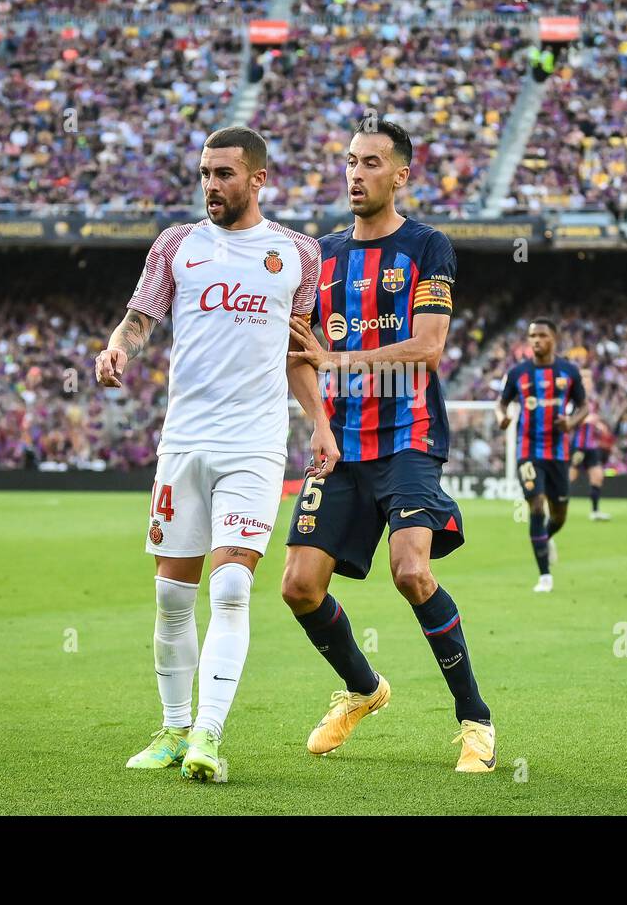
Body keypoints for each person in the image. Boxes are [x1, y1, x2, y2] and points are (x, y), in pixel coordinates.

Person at [94, 126, 330, 782]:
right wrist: (118, 348)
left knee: (230, 587)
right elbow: (139, 320)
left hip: (253, 444)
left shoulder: (297, 254)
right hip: (184, 442)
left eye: (224, 174)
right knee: (173, 598)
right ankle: (172, 730)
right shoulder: (177, 245)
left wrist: (320, 423)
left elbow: (298, 349)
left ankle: (208, 735)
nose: (211, 186)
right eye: (204, 173)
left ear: (258, 179)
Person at [283, 119, 496, 773]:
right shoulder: (319, 256)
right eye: (350, 161)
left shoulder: (428, 247)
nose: (355, 174)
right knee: (299, 587)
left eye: (371, 163)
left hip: (408, 436)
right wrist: (317, 421)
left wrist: (338, 360)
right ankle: (364, 689)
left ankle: (475, 721)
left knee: (411, 571)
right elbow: (299, 353)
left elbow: (428, 348)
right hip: (340, 442)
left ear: (401, 174)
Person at [496, 318, 590, 592]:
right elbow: (500, 404)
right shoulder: (518, 374)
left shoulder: (569, 371)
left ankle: (544, 538)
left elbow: (584, 406)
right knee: (537, 505)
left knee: (559, 515)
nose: (536, 340)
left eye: (542, 336)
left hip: (559, 453)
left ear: (554, 339)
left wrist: (571, 423)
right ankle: (545, 575)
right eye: (532, 336)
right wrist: (502, 417)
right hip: (528, 451)